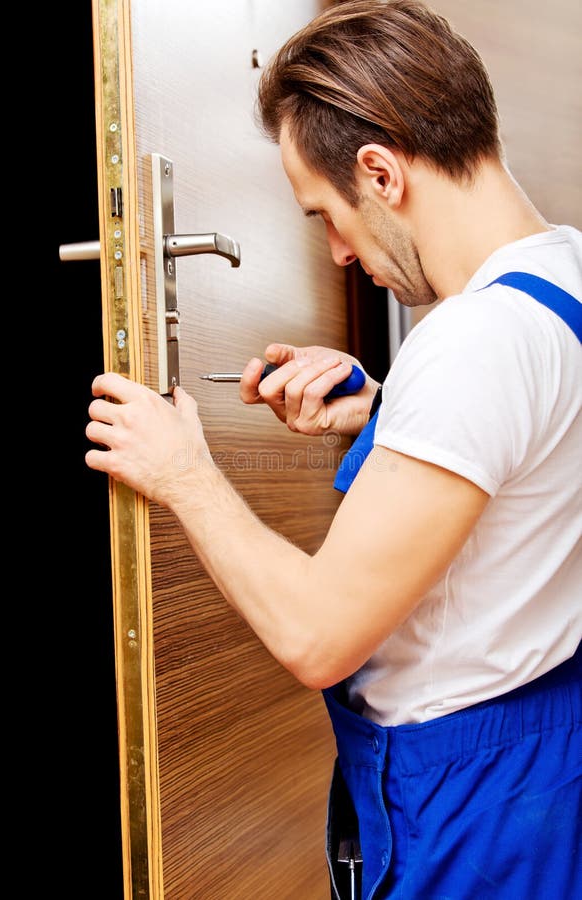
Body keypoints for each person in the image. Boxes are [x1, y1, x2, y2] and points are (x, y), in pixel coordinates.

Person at [85, 1, 581, 897]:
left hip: (471, 797)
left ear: (381, 172)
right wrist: (388, 411)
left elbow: (318, 638)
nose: (338, 254)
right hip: (537, 748)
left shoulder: (476, 340)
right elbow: (530, 452)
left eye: (323, 213)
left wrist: (183, 472)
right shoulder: (559, 278)